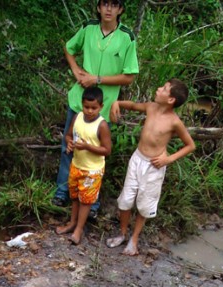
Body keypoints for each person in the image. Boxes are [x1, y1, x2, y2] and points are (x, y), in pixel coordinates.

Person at [53, 0, 139, 214]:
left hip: (104, 106)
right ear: (99, 7)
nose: (109, 9)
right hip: (79, 101)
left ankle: (92, 203)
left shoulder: (126, 37)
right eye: (105, 4)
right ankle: (62, 193)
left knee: (97, 154)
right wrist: (76, 71)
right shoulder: (88, 28)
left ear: (120, 10)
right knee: (70, 147)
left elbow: (129, 76)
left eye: (114, 5)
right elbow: (69, 48)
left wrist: (97, 79)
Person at [106, 79, 196, 255]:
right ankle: (122, 234)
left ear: (171, 100)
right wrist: (116, 103)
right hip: (137, 159)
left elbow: (190, 145)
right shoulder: (151, 107)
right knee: (126, 199)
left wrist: (168, 159)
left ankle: (134, 240)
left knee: (145, 204)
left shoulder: (174, 122)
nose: (158, 88)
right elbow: (132, 105)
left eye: (164, 88)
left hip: (154, 166)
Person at [56, 86, 112, 245]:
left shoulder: (102, 125)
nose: (89, 111)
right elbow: (68, 136)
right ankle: (72, 223)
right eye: (86, 107)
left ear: (101, 107)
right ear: (81, 104)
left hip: (92, 170)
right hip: (76, 165)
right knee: (74, 197)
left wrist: (87, 146)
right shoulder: (77, 117)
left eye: (94, 108)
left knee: (86, 201)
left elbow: (107, 150)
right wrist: (70, 144)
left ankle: (79, 229)